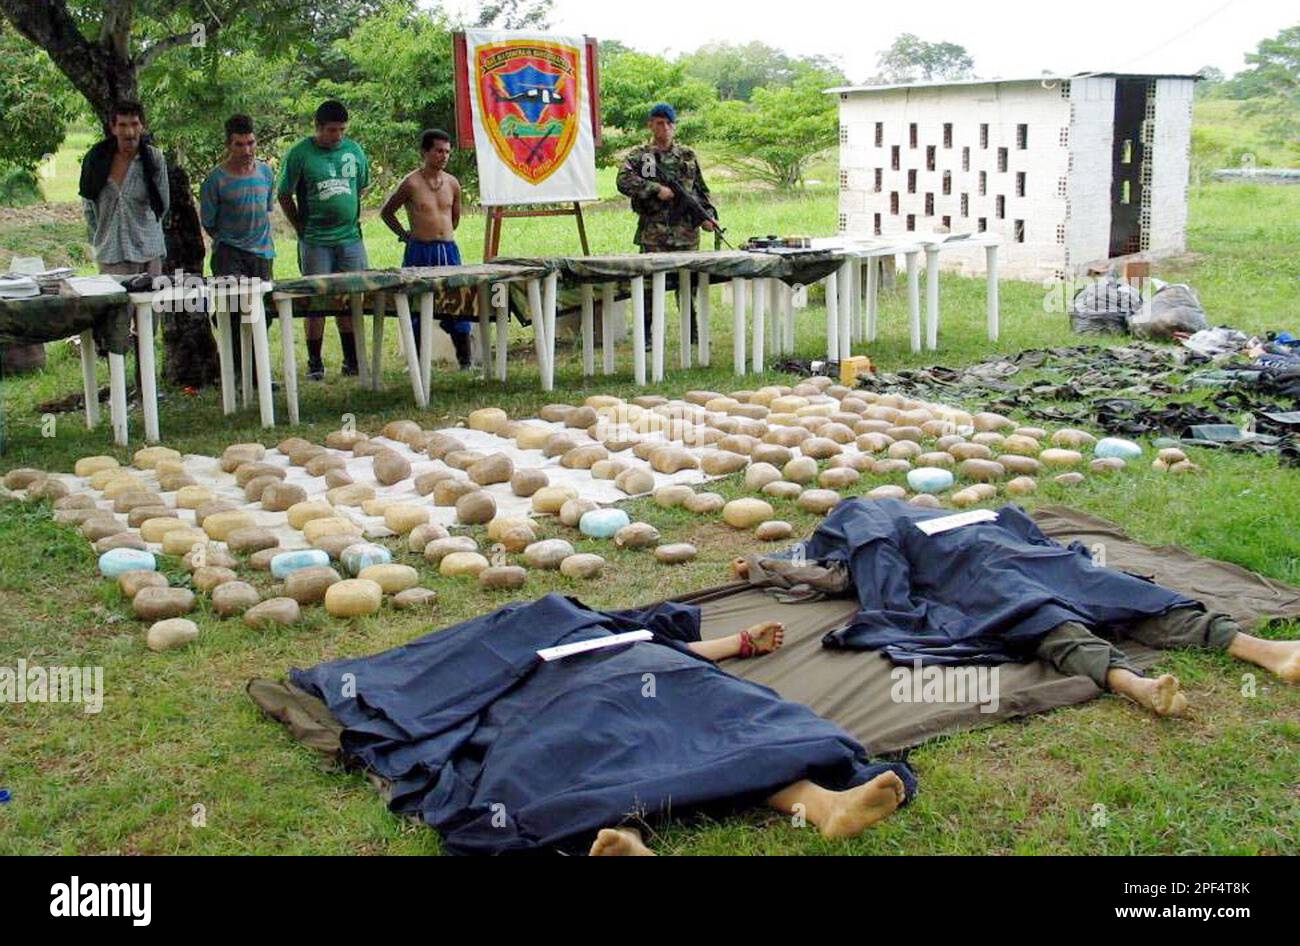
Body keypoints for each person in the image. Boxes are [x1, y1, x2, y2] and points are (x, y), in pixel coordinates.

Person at [287, 594, 914, 855]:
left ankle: (825, 805)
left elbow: (671, 649)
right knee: (580, 749)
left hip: (653, 673)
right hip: (554, 693)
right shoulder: (508, 640)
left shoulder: (617, 630)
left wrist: (737, 643)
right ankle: (612, 837)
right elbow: (448, 675)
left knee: (727, 721)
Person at [732, 499, 1300, 719]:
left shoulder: (858, 518)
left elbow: (845, 567)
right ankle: (1246, 655)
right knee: (1102, 590)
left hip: (981, 562)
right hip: (1004, 553)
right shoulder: (919, 508)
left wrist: (764, 567)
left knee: (1049, 610)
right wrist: (764, 564)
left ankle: (1144, 680)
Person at [277, 100, 369, 381]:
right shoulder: (300, 154)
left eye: (342, 130)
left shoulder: (354, 151)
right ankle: (315, 362)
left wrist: (350, 215)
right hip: (316, 240)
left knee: (352, 296)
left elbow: (360, 188)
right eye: (331, 130)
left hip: (350, 238)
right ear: (318, 128)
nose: (337, 136)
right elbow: (284, 194)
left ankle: (352, 359)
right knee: (316, 299)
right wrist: (299, 226)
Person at [615, 102, 718, 348]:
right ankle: (647, 333)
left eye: (669, 123)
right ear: (651, 125)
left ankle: (692, 332)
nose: (665, 128)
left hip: (686, 233)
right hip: (655, 231)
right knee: (650, 284)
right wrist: (654, 189)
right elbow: (622, 180)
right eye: (660, 123)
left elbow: (700, 191)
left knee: (688, 283)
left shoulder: (687, 156)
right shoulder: (641, 156)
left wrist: (708, 216)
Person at [379, 128, 472, 369]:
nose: (444, 156)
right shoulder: (411, 182)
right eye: (439, 151)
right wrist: (404, 234)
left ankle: (465, 359)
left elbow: (455, 217)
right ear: (425, 152)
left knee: (457, 301)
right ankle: (417, 360)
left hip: (448, 249)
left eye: (447, 152)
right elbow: (387, 212)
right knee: (416, 303)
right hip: (420, 250)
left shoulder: (452, 183)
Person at [199, 114, 275, 388]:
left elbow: (268, 208)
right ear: (228, 145)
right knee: (231, 316)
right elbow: (208, 222)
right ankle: (235, 373)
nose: (246, 150)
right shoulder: (216, 180)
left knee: (261, 314)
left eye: (251, 143)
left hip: (262, 253)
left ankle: (259, 373)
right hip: (230, 253)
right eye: (239, 145)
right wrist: (228, 246)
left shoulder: (266, 173)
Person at [80, 101, 169, 280]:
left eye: (134, 124)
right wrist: (105, 235)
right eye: (122, 125)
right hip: (111, 255)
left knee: (148, 306)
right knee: (117, 307)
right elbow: (89, 209)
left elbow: (163, 204)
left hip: (149, 252)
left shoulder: (153, 159)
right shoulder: (95, 160)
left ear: (142, 126)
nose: (129, 132)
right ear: (113, 128)